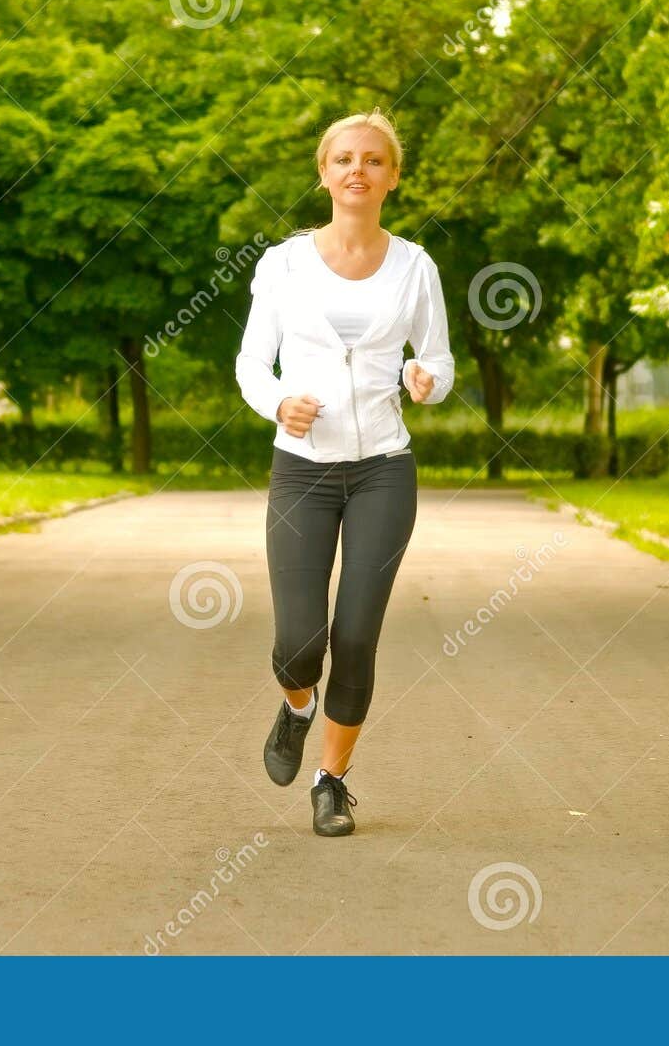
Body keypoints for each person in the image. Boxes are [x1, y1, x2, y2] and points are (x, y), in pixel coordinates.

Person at [233, 108, 454, 836]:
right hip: (302, 468)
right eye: (344, 159)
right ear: (324, 173)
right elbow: (249, 362)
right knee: (300, 642)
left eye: (373, 160)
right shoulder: (283, 264)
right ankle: (297, 706)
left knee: (355, 635)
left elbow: (438, 360)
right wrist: (277, 401)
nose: (357, 170)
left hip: (383, 471)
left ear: (392, 177)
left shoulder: (415, 265)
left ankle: (332, 781)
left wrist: (426, 378)